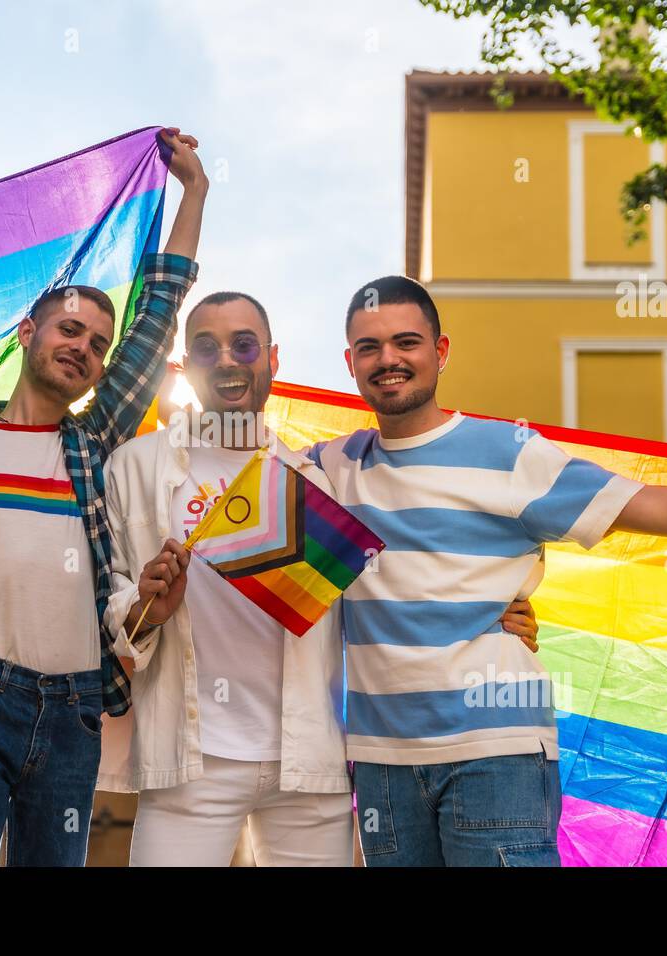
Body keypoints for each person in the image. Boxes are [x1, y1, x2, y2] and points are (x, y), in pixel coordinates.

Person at [313, 274, 667, 867]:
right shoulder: (329, 469)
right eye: (369, 347)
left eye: (406, 342)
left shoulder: (509, 453)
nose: (389, 359)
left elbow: (647, 506)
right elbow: (247, 489)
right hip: (381, 766)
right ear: (350, 363)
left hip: (494, 753)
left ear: (440, 350)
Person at [99, 291, 538, 865]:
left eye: (244, 344)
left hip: (309, 760)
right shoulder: (135, 467)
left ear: (272, 359)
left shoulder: (319, 476)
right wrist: (147, 610)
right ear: (186, 365)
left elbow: (398, 573)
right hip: (190, 761)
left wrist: (488, 610)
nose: (227, 359)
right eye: (206, 347)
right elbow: (111, 608)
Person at [0, 127, 208, 866]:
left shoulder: (94, 443)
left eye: (99, 344)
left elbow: (160, 309)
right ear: (27, 331)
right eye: (70, 329)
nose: (84, 348)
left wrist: (195, 191)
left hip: (75, 710)